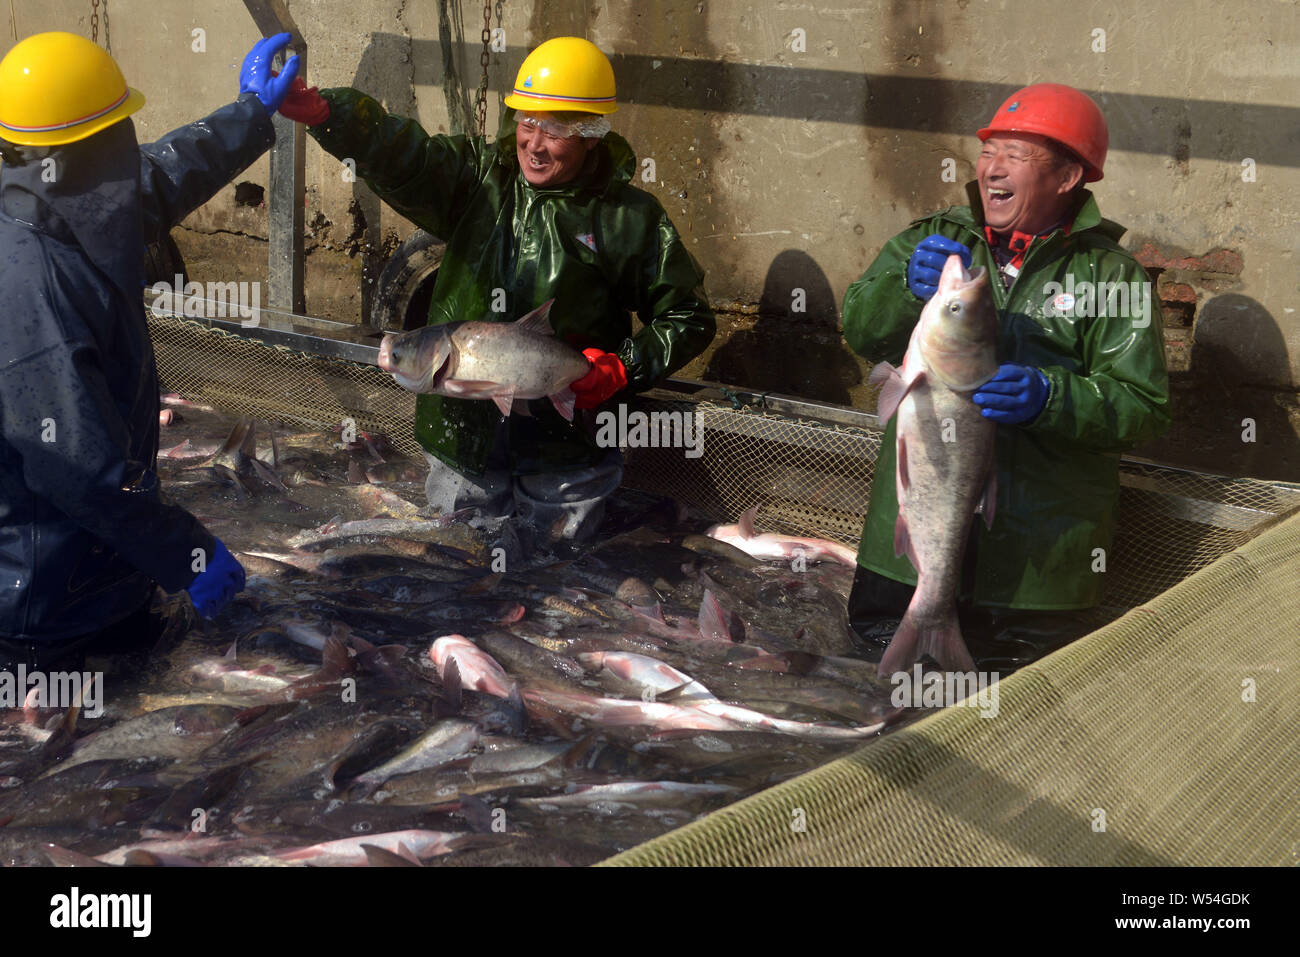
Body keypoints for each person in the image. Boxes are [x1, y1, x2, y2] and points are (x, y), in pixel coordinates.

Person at [277, 36, 715, 548]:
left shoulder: (630, 219)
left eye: (555, 131)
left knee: (562, 579)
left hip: (569, 454)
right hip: (463, 443)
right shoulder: (476, 180)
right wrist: (331, 114)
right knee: (461, 569)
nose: (533, 143)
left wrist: (624, 366)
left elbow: (687, 315)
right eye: (527, 123)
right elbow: (406, 158)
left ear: (593, 135)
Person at [0, 31, 302, 674]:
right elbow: (79, 468)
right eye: (120, 134)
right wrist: (185, 552)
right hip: (46, 612)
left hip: (100, 571)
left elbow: (160, 176)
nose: (130, 152)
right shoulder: (31, 287)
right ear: (94, 149)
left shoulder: (58, 198)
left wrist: (250, 112)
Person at [841, 83, 1171, 666]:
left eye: (1015, 157)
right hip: (904, 552)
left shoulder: (1112, 277)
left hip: (1036, 575)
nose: (992, 169)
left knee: (1019, 728)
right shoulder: (933, 242)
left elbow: (1144, 408)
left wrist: (1053, 397)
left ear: (1069, 177)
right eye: (989, 152)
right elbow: (861, 332)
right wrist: (900, 291)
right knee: (874, 696)